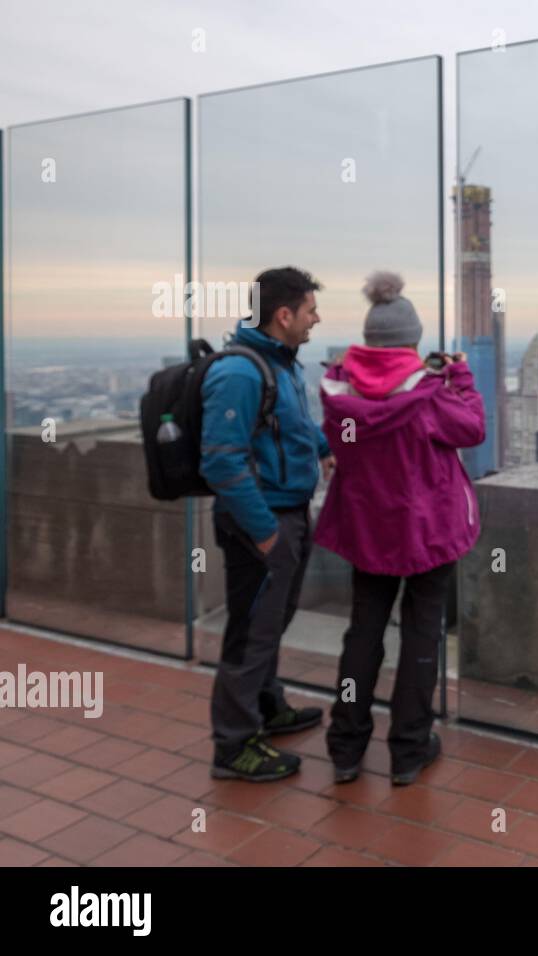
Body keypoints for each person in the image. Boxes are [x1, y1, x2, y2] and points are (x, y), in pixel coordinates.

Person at [316, 271, 485, 785]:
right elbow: (472, 428)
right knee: (421, 636)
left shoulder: (338, 389)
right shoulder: (430, 394)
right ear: (412, 342)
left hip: (369, 529)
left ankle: (346, 745)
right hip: (427, 530)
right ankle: (409, 748)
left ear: (369, 341)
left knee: (362, 634)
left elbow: (345, 449)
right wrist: (460, 378)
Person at [199, 266, 335, 782]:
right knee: (250, 632)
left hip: (287, 513)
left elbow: (292, 423)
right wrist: (266, 533)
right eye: (309, 310)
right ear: (284, 315)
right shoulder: (239, 372)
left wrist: (322, 450)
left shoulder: (282, 364)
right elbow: (222, 462)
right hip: (260, 522)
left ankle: (265, 705)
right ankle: (233, 746)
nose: (315, 319)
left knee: (271, 622)